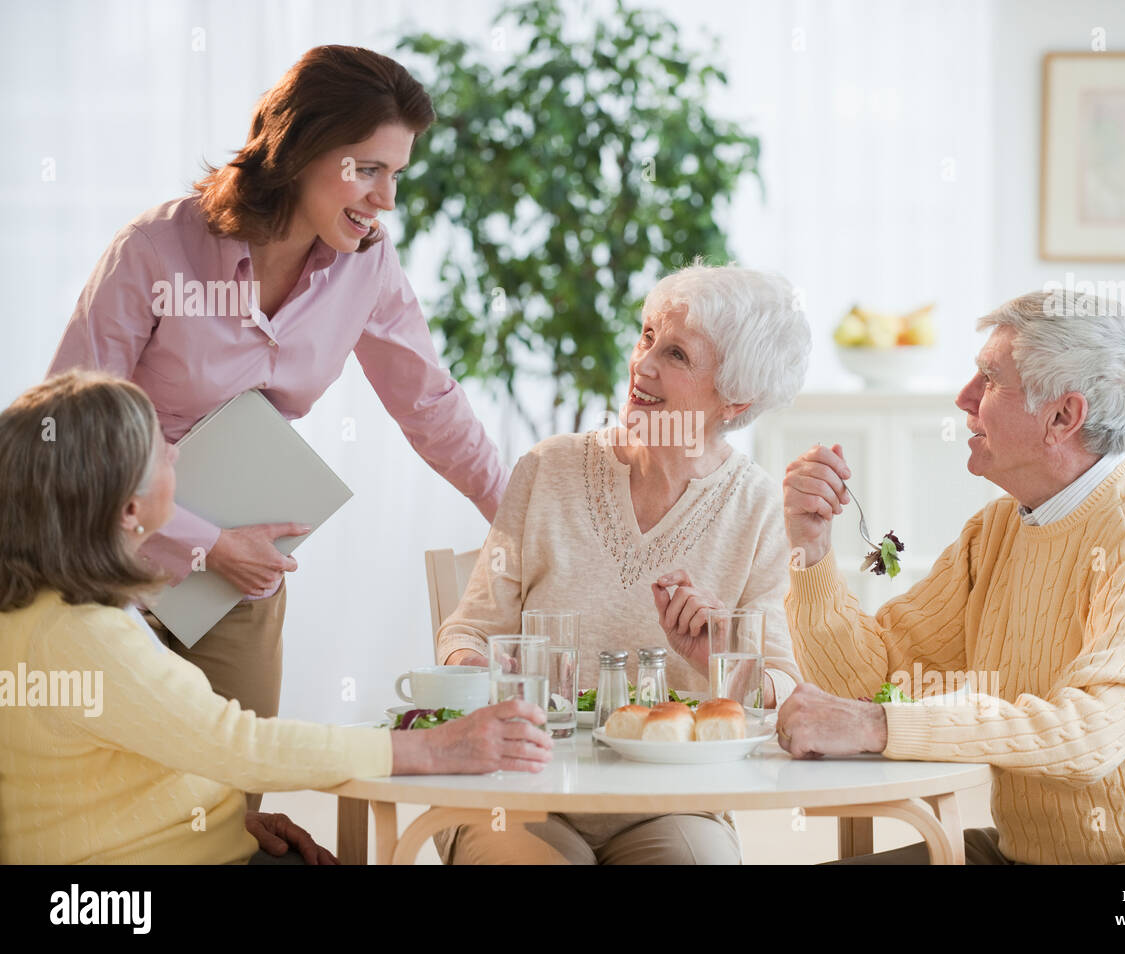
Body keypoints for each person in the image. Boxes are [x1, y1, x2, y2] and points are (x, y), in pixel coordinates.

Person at [44, 47, 507, 811]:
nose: (385, 199)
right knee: (119, 796)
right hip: (108, 559)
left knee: (232, 803)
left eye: (396, 175)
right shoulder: (156, 251)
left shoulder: (366, 269)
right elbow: (68, 429)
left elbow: (430, 406)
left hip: (243, 574)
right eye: (367, 169)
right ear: (297, 150)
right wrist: (204, 542)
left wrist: (518, 512)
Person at [778, 289, 1125, 865]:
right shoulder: (1001, 528)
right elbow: (871, 679)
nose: (964, 398)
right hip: (1031, 856)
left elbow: (1094, 731)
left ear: (1062, 417)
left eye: (989, 379)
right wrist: (811, 548)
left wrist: (880, 728)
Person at [0, 371, 551, 864]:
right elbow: (238, 745)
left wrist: (222, 823)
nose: (175, 455)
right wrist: (431, 749)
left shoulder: (50, 611)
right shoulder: (84, 635)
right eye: (158, 450)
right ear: (127, 509)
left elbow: (104, 771)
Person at [433, 263, 811, 864]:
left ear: (735, 396)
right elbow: (467, 631)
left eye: (678, 355)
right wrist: (488, 673)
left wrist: (723, 661)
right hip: (522, 787)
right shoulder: (547, 469)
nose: (643, 364)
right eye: (646, 337)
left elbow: (784, 685)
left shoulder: (756, 505)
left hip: (674, 802)